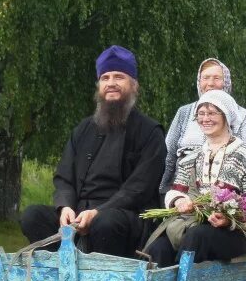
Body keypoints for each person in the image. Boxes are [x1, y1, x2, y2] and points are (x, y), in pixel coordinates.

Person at [20, 45, 167, 258]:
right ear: (99, 85)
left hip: (125, 217)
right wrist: (65, 207)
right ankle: (59, 273)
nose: (111, 83)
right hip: (79, 214)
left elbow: (139, 189)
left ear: (134, 85)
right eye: (105, 78)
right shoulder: (83, 129)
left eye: (119, 77)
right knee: (32, 216)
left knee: (105, 222)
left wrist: (98, 212)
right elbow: (64, 178)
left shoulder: (150, 132)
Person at [150, 89, 246, 265]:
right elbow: (177, 191)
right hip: (193, 225)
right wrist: (180, 201)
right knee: (158, 247)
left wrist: (229, 219)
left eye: (212, 113)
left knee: (198, 237)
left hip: (236, 233)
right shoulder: (191, 157)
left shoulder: (245, 154)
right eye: (201, 114)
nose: (205, 118)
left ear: (226, 116)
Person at [158, 58, 246, 196]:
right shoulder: (185, 112)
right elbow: (168, 153)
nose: (210, 83)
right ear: (199, 82)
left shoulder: (242, 114)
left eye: (217, 78)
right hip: (183, 186)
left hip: (226, 191)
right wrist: (162, 189)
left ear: (226, 82)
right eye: (205, 78)